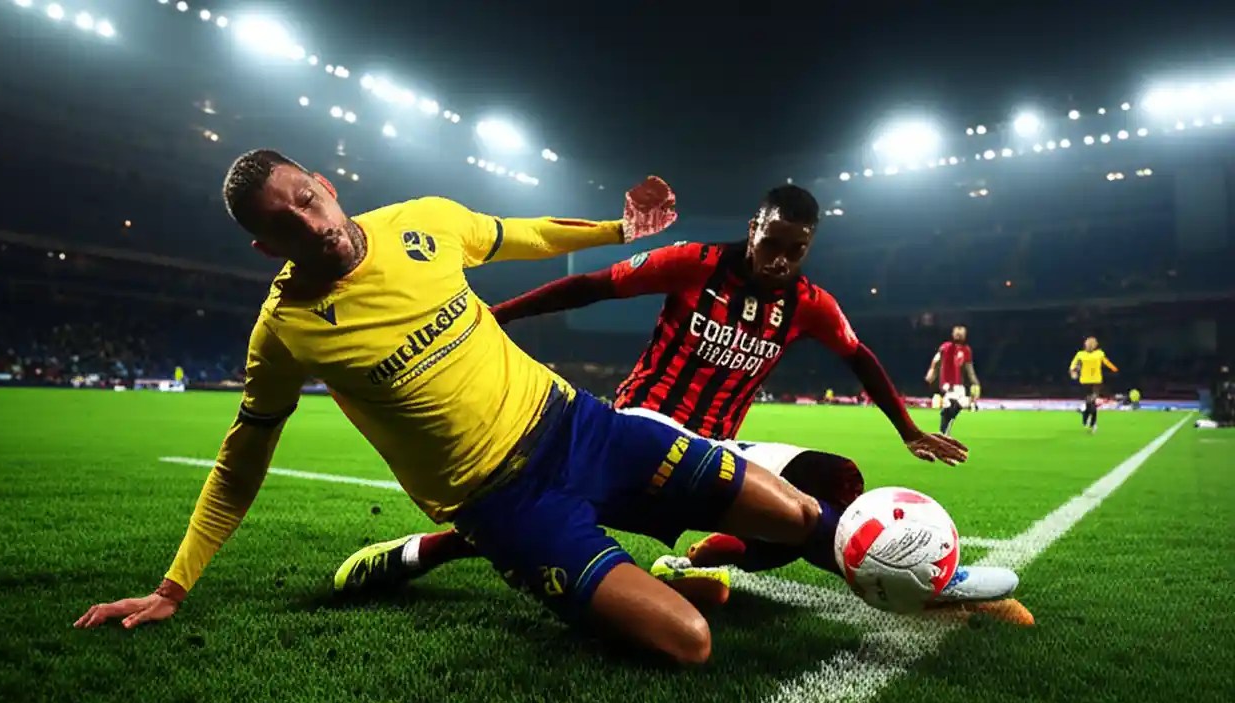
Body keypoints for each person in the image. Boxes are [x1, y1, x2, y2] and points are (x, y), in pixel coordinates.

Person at [73, 150, 909, 665]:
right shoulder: (286, 332)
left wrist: (620, 229)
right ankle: (468, 545)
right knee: (687, 642)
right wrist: (174, 587)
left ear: (326, 185)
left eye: (306, 197)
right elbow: (240, 460)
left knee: (799, 513)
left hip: (581, 426)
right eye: (282, 223)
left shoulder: (423, 223)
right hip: (505, 503)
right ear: (267, 245)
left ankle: (929, 581)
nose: (308, 221)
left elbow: (520, 233)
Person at [354, 185, 1024, 620]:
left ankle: (698, 558)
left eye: (797, 251)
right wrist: (496, 315)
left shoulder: (810, 305)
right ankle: (934, 584)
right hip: (643, 422)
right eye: (772, 243)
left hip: (717, 444)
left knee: (830, 481)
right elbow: (588, 288)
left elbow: (861, 359)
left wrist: (907, 428)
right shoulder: (693, 262)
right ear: (752, 228)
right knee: (808, 493)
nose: (782, 261)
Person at [925, 325, 981, 436]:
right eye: (957, 332)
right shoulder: (945, 347)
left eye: (961, 333)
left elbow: (969, 368)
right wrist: (931, 371)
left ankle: (944, 430)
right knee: (952, 404)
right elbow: (936, 360)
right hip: (947, 382)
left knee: (959, 405)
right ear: (953, 334)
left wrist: (975, 382)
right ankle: (943, 431)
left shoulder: (966, 350)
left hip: (959, 384)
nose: (959, 334)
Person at [1070, 336, 1118, 433]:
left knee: (1091, 402)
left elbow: (1072, 366)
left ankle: (1090, 421)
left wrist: (1073, 373)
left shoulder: (1081, 354)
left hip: (1087, 381)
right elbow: (1107, 363)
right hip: (1094, 381)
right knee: (1091, 402)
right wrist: (1115, 369)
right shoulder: (1098, 354)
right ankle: (1089, 420)